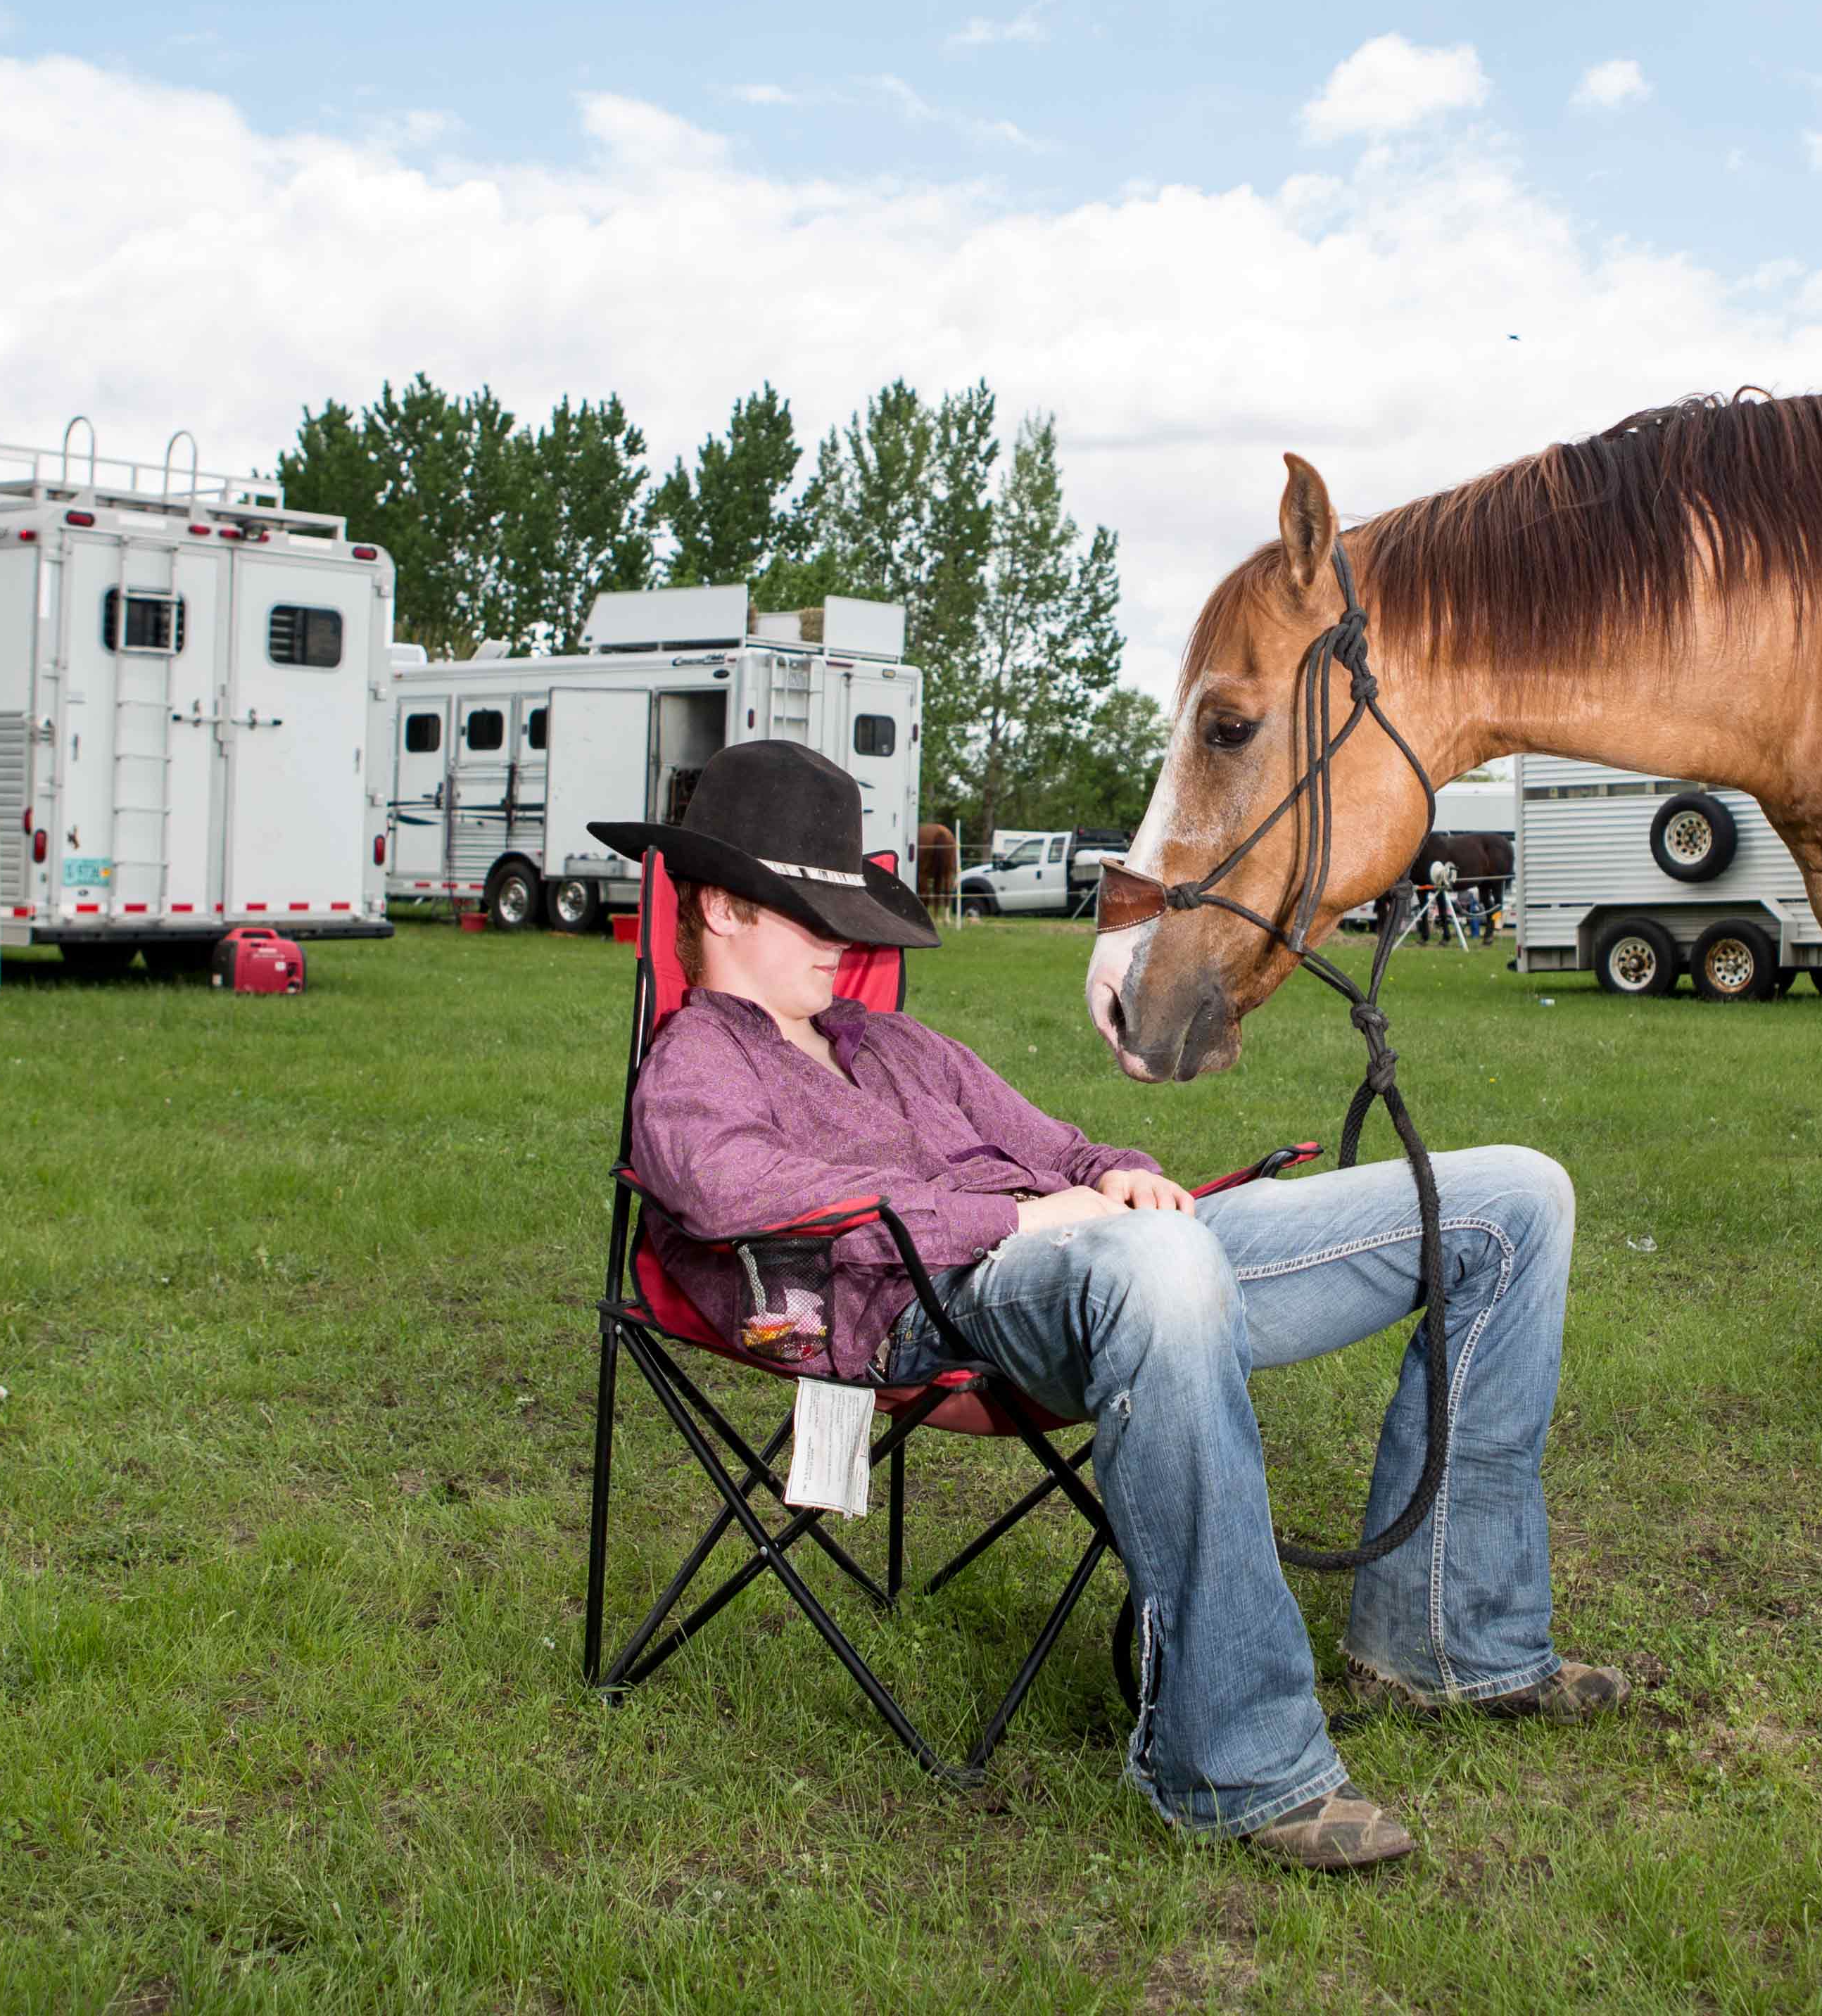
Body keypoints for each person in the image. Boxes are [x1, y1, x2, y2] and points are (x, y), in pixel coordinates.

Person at [597, 744, 1618, 1873]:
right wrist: (1018, 1224)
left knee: (1512, 1197)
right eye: (812, 912)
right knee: (1158, 1266)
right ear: (725, 908)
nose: (845, 939)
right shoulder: (694, 1064)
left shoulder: (886, 1041)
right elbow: (724, 1186)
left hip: (1113, 1254)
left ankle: (1452, 1637)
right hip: (943, 1310)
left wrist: (1121, 1171)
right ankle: (1234, 1757)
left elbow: (1056, 1145)